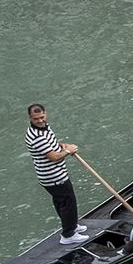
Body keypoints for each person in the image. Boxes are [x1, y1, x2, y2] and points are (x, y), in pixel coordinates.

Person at [24, 103, 87, 244]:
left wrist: (61, 145)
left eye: (41, 117)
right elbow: (53, 157)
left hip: (54, 174)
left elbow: (50, 145)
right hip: (53, 177)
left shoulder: (44, 128)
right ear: (30, 118)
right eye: (36, 119)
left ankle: (72, 226)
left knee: (61, 202)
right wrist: (69, 150)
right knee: (68, 203)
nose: (40, 120)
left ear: (45, 113)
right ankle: (68, 235)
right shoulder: (36, 136)